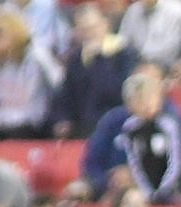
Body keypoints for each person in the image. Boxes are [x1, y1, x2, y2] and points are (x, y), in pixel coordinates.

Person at [79, 68, 181, 202]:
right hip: (111, 190)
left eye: (146, 96)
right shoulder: (113, 121)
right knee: (79, 191)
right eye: (135, 97)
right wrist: (108, 181)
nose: (142, 103)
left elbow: (177, 166)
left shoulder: (171, 123)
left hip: (158, 191)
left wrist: (144, 186)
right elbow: (91, 163)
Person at [0, 5, 63, 140]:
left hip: (33, 124)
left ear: (14, 32)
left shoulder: (36, 57)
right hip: (1, 121)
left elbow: (59, 86)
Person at [55, 4, 137, 142]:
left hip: (116, 125)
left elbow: (117, 92)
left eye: (93, 28)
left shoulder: (123, 53)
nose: (90, 34)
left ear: (105, 25)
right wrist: (62, 118)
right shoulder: (76, 59)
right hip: (82, 127)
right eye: (84, 30)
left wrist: (99, 59)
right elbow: (65, 95)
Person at [122, 0, 181, 68]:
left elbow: (173, 47)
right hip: (136, 62)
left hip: (166, 64)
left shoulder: (176, 11)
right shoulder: (133, 10)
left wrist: (147, 61)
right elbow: (125, 38)